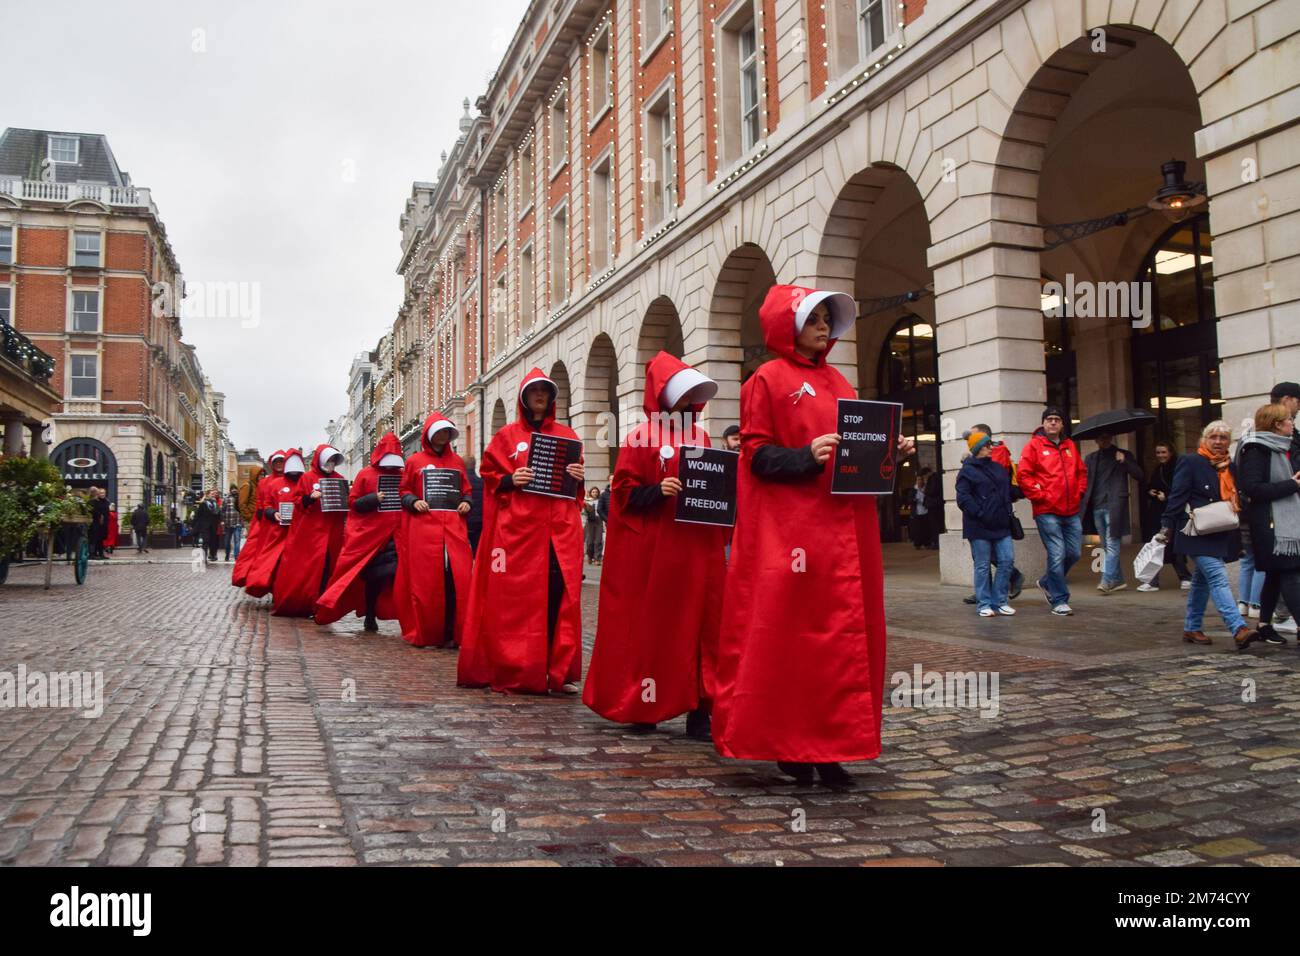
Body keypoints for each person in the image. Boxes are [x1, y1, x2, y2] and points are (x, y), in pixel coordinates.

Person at [713, 284, 915, 788]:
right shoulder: (765, 379)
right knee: (795, 638)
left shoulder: (840, 381)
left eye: (827, 319)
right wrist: (806, 455)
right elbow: (756, 454)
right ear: (788, 326)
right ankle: (792, 745)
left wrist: (891, 450)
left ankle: (832, 746)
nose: (824, 327)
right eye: (813, 319)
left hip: (846, 530)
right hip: (794, 530)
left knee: (841, 640)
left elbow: (858, 447)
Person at [584, 351, 726, 738]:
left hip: (696, 548)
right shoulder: (639, 438)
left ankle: (700, 708)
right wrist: (656, 491)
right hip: (657, 552)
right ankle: (645, 705)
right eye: (681, 394)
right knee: (654, 627)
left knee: (700, 628)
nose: (687, 401)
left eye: (691, 394)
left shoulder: (701, 436)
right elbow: (623, 494)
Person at [458, 368, 586, 694]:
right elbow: (489, 480)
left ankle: (552, 668)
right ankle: (518, 666)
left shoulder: (568, 436)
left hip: (558, 531)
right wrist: (509, 480)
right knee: (518, 603)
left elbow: (575, 492)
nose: (540, 396)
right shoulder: (506, 437)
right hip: (519, 534)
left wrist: (578, 476)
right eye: (534, 391)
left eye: (545, 391)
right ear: (525, 397)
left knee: (558, 596)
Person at [1158, 420, 1256, 648]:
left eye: (1223, 438)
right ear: (1204, 439)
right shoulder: (1191, 461)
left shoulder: (1230, 466)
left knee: (1201, 582)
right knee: (1218, 577)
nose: (1219, 442)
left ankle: (1192, 628)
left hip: (1219, 531)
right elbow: (1177, 495)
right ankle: (1238, 628)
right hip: (1194, 531)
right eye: (1214, 437)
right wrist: (1166, 525)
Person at [394, 415, 473, 647]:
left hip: (454, 527)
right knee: (427, 581)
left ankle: (452, 631)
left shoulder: (457, 462)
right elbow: (404, 489)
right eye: (438, 432)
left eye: (446, 432)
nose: (442, 436)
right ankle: (428, 630)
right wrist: (413, 501)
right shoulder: (415, 461)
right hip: (425, 528)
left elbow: (466, 489)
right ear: (429, 434)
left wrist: (467, 502)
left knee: (456, 579)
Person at [316, 432, 405, 633]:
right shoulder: (365, 474)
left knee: (396, 575)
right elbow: (354, 503)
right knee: (374, 576)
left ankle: (397, 613)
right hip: (371, 536)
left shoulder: (403, 475)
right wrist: (373, 499)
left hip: (396, 535)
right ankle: (371, 613)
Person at [1237, 403, 1300, 646]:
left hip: (1282, 522)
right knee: (1291, 572)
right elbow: (1253, 488)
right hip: (1270, 524)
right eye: (1288, 420)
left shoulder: (1280, 446)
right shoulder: (1256, 449)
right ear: (1277, 424)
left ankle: (1264, 625)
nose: (1292, 423)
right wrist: (1291, 485)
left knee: (1275, 574)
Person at [1018, 407, 1087, 616]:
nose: (1054, 423)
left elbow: (1081, 472)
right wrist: (1040, 495)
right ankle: (1059, 600)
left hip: (1071, 509)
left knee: (1074, 553)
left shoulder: (1069, 446)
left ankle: (1047, 582)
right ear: (1043, 423)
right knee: (1057, 554)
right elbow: (1023, 475)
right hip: (1047, 510)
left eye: (1057, 419)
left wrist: (1080, 491)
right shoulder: (1034, 446)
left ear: (1062, 424)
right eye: (1049, 419)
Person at [272, 444, 349, 617]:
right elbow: (298, 502)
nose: (330, 464)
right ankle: (307, 602)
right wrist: (309, 498)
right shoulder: (307, 478)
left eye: (333, 461)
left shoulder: (339, 478)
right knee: (311, 568)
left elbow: (346, 504)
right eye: (328, 460)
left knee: (329, 567)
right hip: (311, 532)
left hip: (332, 531)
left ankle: (321, 603)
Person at [956, 430, 1018, 617]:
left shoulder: (998, 468)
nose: (991, 448)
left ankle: (1000, 601)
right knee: (982, 565)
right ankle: (984, 603)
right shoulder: (966, 471)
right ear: (977, 448)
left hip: (1001, 523)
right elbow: (963, 498)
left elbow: (1008, 491)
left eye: (990, 444)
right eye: (986, 445)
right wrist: (980, 513)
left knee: (1006, 560)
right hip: (978, 525)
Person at [1080, 430, 1144, 593]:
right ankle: (1118, 579)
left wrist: (1125, 462)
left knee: (1113, 544)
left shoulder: (1123, 454)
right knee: (1106, 546)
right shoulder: (1091, 458)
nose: (1105, 439)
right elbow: (1085, 481)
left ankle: (1107, 580)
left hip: (1114, 506)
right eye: (1101, 437)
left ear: (1112, 437)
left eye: (1107, 436)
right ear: (1096, 440)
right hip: (1096, 507)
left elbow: (1139, 475)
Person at [244, 450, 305, 599]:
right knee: (270, 559)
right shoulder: (266, 482)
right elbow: (263, 503)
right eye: (276, 462)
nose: (279, 465)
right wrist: (268, 515)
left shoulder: (302, 481)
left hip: (295, 528)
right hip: (272, 526)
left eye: (281, 462)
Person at [1139, 441, 1190, 591]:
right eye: (1158, 453)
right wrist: (1152, 492)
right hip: (1157, 513)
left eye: (1163, 452)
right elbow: (1151, 485)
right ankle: (1156, 580)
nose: (1160, 455)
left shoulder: (1177, 468)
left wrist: (1166, 496)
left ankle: (1184, 577)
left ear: (1171, 452)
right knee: (1157, 545)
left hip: (1172, 513)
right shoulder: (1158, 469)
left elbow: (1181, 489)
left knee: (1169, 546)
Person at [232, 454, 281, 588]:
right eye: (259, 475)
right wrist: (249, 517)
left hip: (263, 519)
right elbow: (242, 504)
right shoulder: (248, 486)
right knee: (253, 546)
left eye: (262, 474)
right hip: (255, 520)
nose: (261, 477)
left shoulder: (261, 484)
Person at [192, 489, 222, 563]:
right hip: (205, 526)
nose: (213, 495)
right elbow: (198, 515)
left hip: (214, 526)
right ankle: (204, 558)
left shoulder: (215, 504)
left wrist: (221, 521)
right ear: (208, 494)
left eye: (213, 494)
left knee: (213, 541)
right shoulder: (203, 504)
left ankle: (212, 555)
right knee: (206, 541)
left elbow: (218, 514)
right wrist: (196, 524)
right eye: (211, 494)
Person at [463, 454, 485, 556]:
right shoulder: (483, 483)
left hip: (464, 522)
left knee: (463, 552)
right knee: (478, 551)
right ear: (475, 465)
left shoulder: (459, 483)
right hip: (479, 523)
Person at [583, 487, 604, 565]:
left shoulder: (600, 501)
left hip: (599, 521)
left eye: (596, 492)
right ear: (590, 493)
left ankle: (597, 558)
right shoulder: (587, 501)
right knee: (590, 541)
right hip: (590, 522)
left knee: (598, 540)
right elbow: (583, 512)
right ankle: (590, 556)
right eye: (593, 492)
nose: (595, 493)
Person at [222, 486, 243, 561]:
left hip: (238, 523)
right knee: (227, 541)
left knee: (237, 541)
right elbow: (223, 510)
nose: (234, 490)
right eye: (232, 489)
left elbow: (243, 510)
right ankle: (227, 555)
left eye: (235, 489)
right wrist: (223, 521)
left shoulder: (241, 499)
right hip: (228, 523)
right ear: (230, 490)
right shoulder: (226, 499)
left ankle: (236, 556)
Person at [88, 487, 109, 559]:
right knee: (94, 538)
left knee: (101, 539)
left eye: (103, 493)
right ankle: (92, 554)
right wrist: (100, 515)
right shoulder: (94, 501)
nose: (102, 494)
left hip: (103, 524)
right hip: (95, 523)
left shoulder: (106, 501)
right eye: (100, 493)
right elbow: (93, 511)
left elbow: (107, 512)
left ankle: (101, 554)